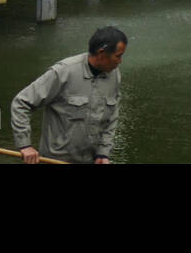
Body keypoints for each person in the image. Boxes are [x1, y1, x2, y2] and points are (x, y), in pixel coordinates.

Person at [11, 26, 126, 164]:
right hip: (55, 161)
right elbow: (21, 103)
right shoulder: (63, 72)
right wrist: (25, 145)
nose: (120, 61)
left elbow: (111, 118)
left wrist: (103, 153)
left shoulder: (114, 75)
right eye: (118, 56)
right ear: (102, 53)